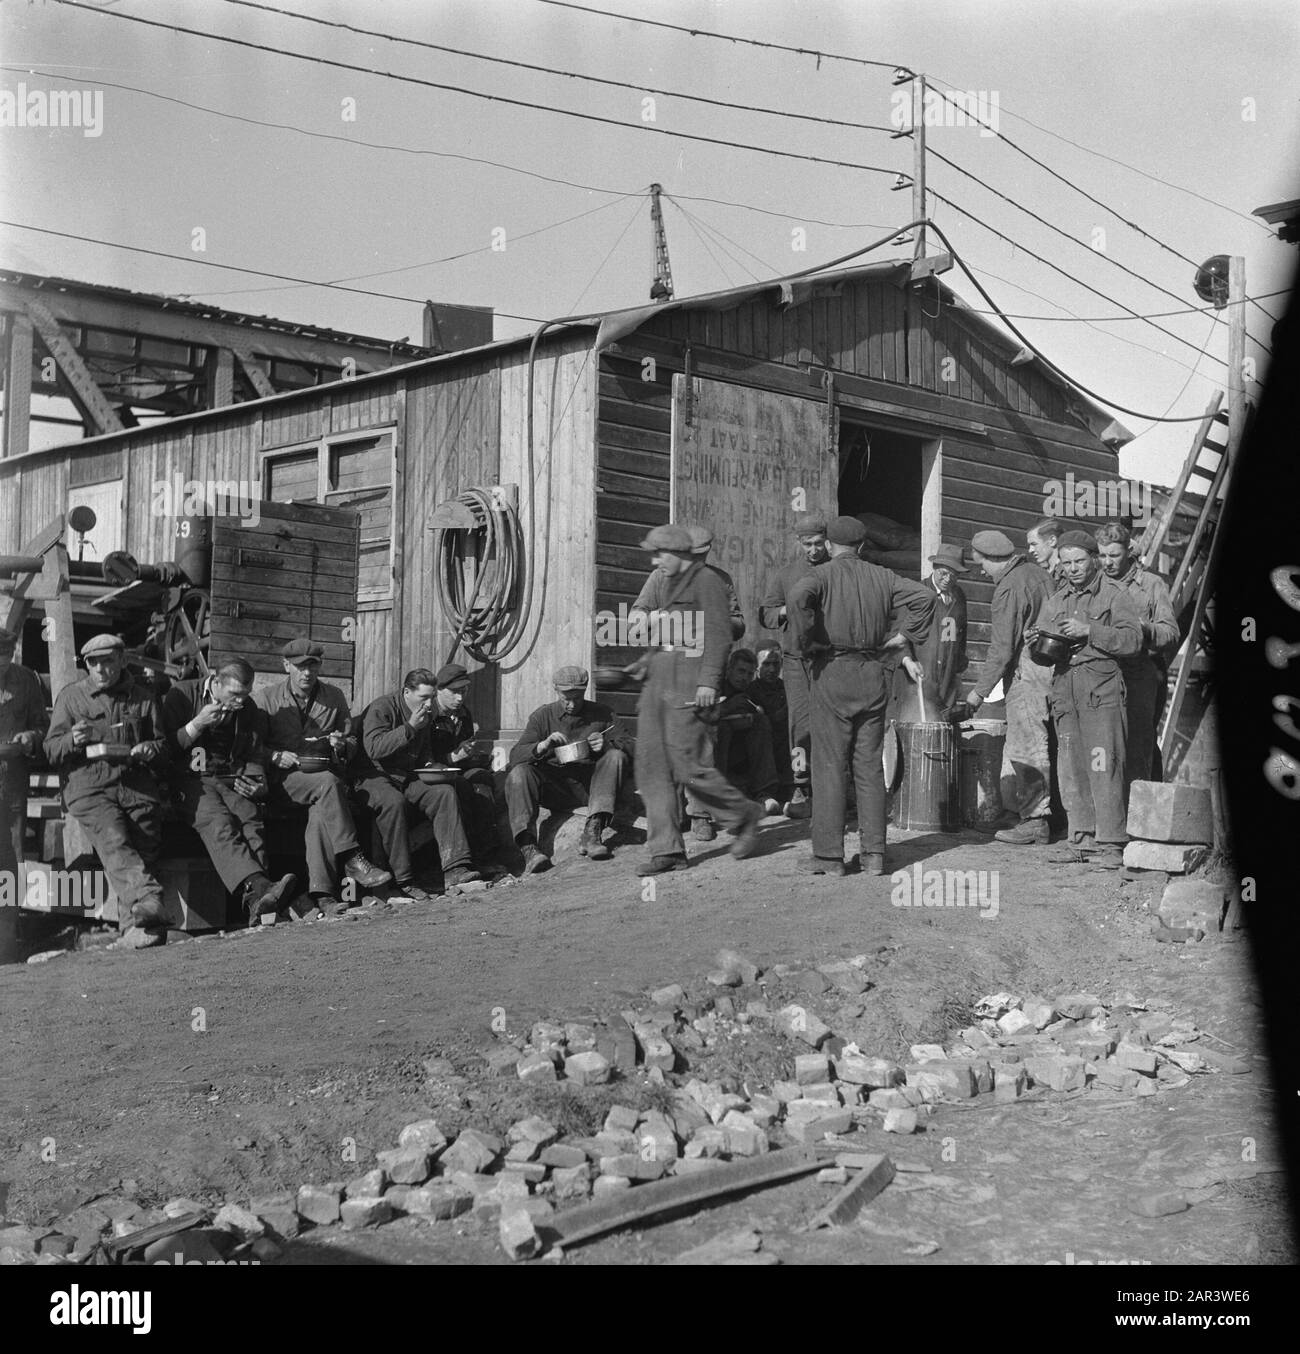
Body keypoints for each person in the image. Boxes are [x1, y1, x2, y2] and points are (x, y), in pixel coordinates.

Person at [788, 517, 935, 876]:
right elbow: (926, 597)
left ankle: (829, 857)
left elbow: (795, 598)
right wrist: (904, 636)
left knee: (829, 765)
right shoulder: (883, 576)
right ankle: (874, 856)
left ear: (829, 545)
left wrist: (806, 641)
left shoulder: (820, 576)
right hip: (872, 673)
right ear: (863, 546)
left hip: (833, 670)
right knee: (869, 766)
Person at [630, 523, 763, 874]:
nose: (655, 561)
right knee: (651, 766)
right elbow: (635, 619)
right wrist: (652, 619)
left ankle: (742, 814)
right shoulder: (660, 579)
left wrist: (708, 682)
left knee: (689, 764)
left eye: (661, 554)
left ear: (681, 554)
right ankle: (667, 850)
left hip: (691, 677)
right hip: (659, 675)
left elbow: (721, 635)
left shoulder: (709, 582)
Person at [44, 634, 170, 949]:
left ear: (122, 660)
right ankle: (149, 897)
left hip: (134, 783)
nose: (100, 669)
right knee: (114, 839)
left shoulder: (143, 697)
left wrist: (150, 749)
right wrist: (72, 739)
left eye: (107, 661)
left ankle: (134, 931)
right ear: (86, 665)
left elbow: (163, 745)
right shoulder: (71, 698)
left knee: (146, 844)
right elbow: (50, 750)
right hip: (89, 785)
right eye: (93, 663)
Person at [1031, 530, 1143, 869]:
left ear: (1094, 559)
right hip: (1066, 687)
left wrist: (1090, 631)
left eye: (1079, 561)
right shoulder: (1058, 597)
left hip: (1101, 689)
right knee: (1071, 767)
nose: (1073, 568)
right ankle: (1080, 839)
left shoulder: (1114, 594)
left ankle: (1110, 843)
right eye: (1066, 563)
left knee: (1103, 764)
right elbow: (1045, 640)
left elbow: (1133, 640)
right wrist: (1034, 638)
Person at [255, 637, 390, 914]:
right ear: (286, 666)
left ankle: (323, 896)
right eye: (300, 667)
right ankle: (353, 857)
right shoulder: (266, 700)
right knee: (329, 784)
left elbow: (352, 741)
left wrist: (342, 746)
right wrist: (273, 756)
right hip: (283, 783)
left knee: (321, 812)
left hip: (322, 782)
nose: (307, 673)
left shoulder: (334, 697)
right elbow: (250, 746)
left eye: (313, 667)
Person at [164, 658, 298, 924]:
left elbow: (253, 750)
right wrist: (197, 724)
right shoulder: (181, 695)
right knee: (219, 823)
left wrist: (257, 779)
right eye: (234, 694)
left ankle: (260, 906)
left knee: (250, 818)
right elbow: (165, 748)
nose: (239, 702)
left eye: (245, 695)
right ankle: (261, 891)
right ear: (215, 682)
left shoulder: (246, 708)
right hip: (189, 780)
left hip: (228, 777)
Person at [352, 668, 486, 898]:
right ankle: (403, 880)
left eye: (431, 697)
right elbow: (374, 749)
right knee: (393, 802)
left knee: (443, 792)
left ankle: (455, 867)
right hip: (372, 776)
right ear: (406, 692)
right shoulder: (382, 708)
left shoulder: (425, 714)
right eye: (423, 697)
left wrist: (438, 767)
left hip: (406, 775)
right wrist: (410, 727)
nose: (428, 703)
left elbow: (424, 756)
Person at [960, 530, 1056, 845]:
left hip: (1027, 671)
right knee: (1046, 742)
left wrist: (977, 694)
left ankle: (1035, 821)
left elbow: (1001, 650)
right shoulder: (1037, 573)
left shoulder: (1008, 588)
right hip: (1051, 668)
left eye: (981, 565)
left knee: (1028, 745)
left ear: (994, 559)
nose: (981, 572)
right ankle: (1032, 813)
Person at [506, 664, 633, 872]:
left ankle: (593, 833)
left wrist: (607, 745)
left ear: (585, 691)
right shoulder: (543, 716)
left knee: (616, 756)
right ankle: (528, 847)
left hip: (591, 788)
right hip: (555, 788)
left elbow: (631, 744)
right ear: (556, 691)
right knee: (520, 772)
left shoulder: (603, 714)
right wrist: (542, 746)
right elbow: (515, 756)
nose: (572, 704)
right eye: (566, 698)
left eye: (577, 698)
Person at [1096, 522, 1180, 793]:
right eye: (1102, 555)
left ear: (1128, 552)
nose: (1107, 562)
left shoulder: (1152, 584)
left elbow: (1170, 632)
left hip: (1142, 671)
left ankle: (1143, 815)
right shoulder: (1097, 583)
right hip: (1105, 674)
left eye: (1114, 555)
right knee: (1106, 745)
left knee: (1139, 743)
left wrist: (1143, 628)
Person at [758, 513, 830, 817]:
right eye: (808, 544)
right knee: (800, 723)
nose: (814, 549)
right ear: (799, 544)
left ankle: (832, 789)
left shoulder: (836, 569)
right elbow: (766, 613)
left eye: (818, 543)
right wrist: (790, 609)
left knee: (831, 722)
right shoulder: (787, 575)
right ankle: (801, 787)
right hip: (796, 659)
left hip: (829, 658)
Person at [422, 663, 503, 872]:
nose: (460, 698)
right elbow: (423, 759)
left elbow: (462, 752)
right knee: (463, 789)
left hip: (456, 770)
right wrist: (454, 756)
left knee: (481, 779)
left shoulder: (463, 714)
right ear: (439, 690)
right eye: (454, 692)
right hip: (430, 776)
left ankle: (488, 858)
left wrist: (471, 755)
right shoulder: (427, 714)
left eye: (463, 691)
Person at [0, 629, 48, 959]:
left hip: (10, 785)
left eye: (5, 656)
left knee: (10, 865)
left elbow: (43, 725)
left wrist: (30, 738)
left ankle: (5, 948)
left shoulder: (26, 679)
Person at [890, 543, 969, 720]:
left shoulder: (959, 597)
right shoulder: (917, 593)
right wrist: (907, 660)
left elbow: (962, 636)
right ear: (934, 568)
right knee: (917, 727)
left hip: (947, 678)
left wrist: (958, 672)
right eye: (944, 573)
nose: (948, 579)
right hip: (918, 675)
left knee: (942, 729)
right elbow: (898, 635)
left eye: (954, 575)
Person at [631, 523, 745, 641]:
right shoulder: (659, 577)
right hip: (667, 653)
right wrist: (659, 617)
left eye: (700, 556)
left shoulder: (720, 579)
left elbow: (738, 624)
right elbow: (633, 624)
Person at [704, 648, 781, 812]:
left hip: (742, 758)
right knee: (721, 728)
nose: (744, 677)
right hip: (714, 758)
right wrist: (726, 709)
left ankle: (764, 792)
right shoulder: (716, 688)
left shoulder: (751, 691)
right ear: (729, 669)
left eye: (749, 673)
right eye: (741, 671)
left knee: (762, 722)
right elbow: (703, 718)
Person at [752, 646, 794, 803]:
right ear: (757, 667)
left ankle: (793, 786)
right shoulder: (751, 691)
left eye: (776, 664)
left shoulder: (787, 688)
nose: (771, 669)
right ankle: (765, 792)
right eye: (766, 664)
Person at [1027, 517, 1066, 585]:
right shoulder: (1040, 572)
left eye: (1034, 544)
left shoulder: (1068, 571)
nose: (1030, 550)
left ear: (1052, 541)